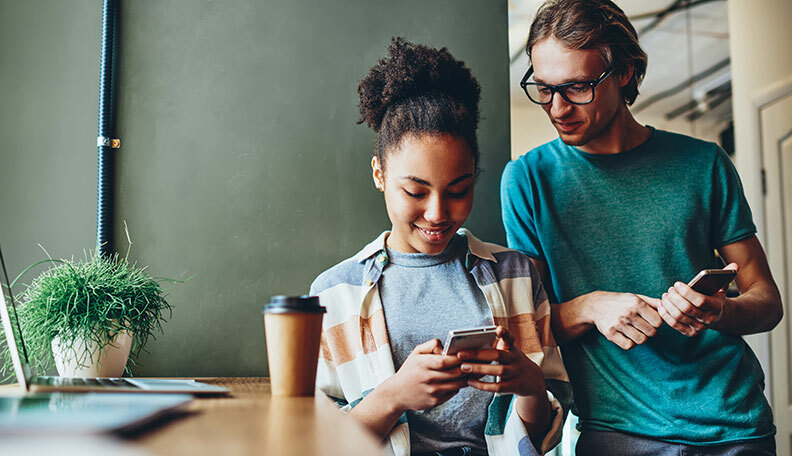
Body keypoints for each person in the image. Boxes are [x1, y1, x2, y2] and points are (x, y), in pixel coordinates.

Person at [500, 1, 783, 454]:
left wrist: (719, 311)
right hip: (617, 433)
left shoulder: (702, 163)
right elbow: (528, 325)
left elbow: (767, 301)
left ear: (625, 73)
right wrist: (593, 306)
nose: (557, 108)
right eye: (543, 88)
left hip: (734, 427)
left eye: (576, 88)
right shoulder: (528, 180)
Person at [310, 38, 570, 456]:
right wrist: (392, 396)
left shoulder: (515, 275)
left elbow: (544, 433)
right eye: (415, 191)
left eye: (458, 190)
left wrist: (530, 386)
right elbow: (316, 444)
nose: (437, 213)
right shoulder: (332, 295)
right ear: (379, 174)